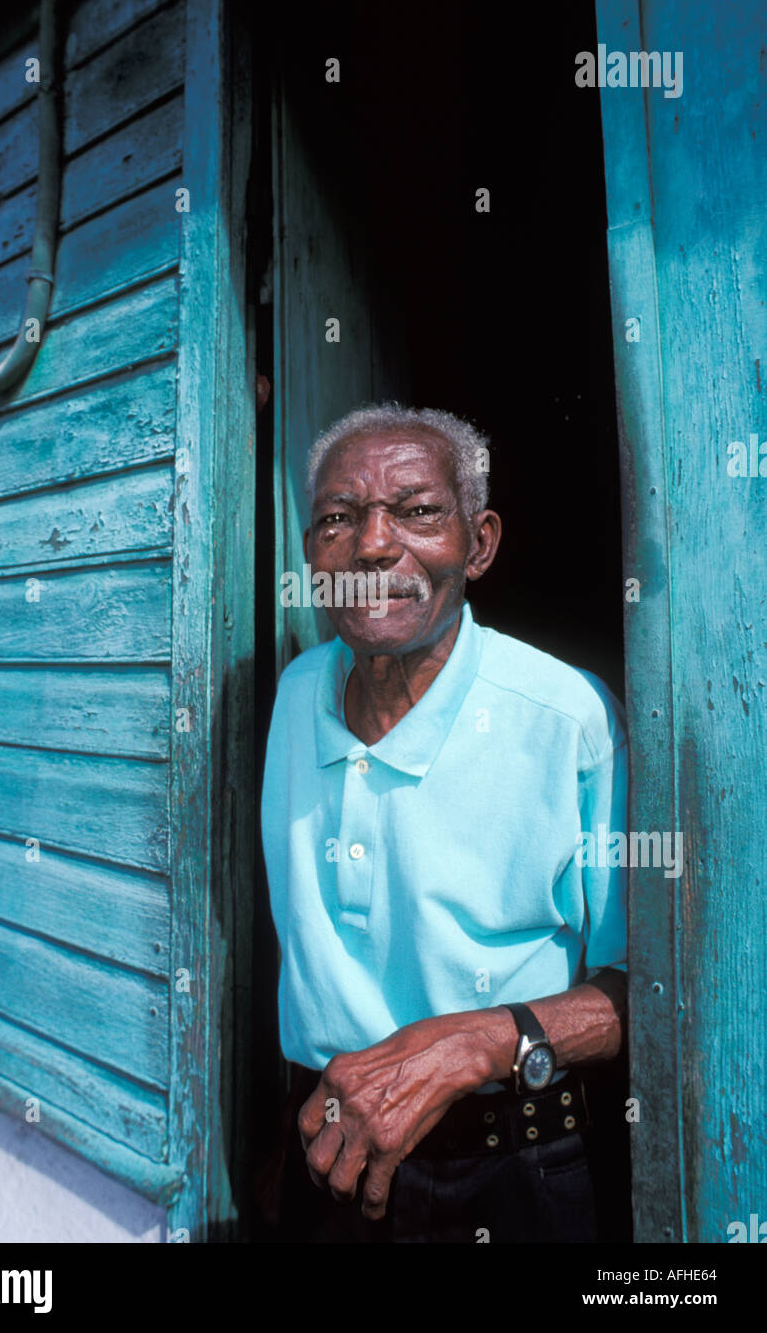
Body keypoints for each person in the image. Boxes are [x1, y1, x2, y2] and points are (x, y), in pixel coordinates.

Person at [260, 402, 629, 1243]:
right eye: (337, 520)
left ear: (481, 543)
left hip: (510, 1170)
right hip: (327, 1156)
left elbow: (641, 986)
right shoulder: (292, 695)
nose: (374, 545)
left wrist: (478, 1041)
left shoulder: (563, 717)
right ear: (314, 555)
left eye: (418, 511)